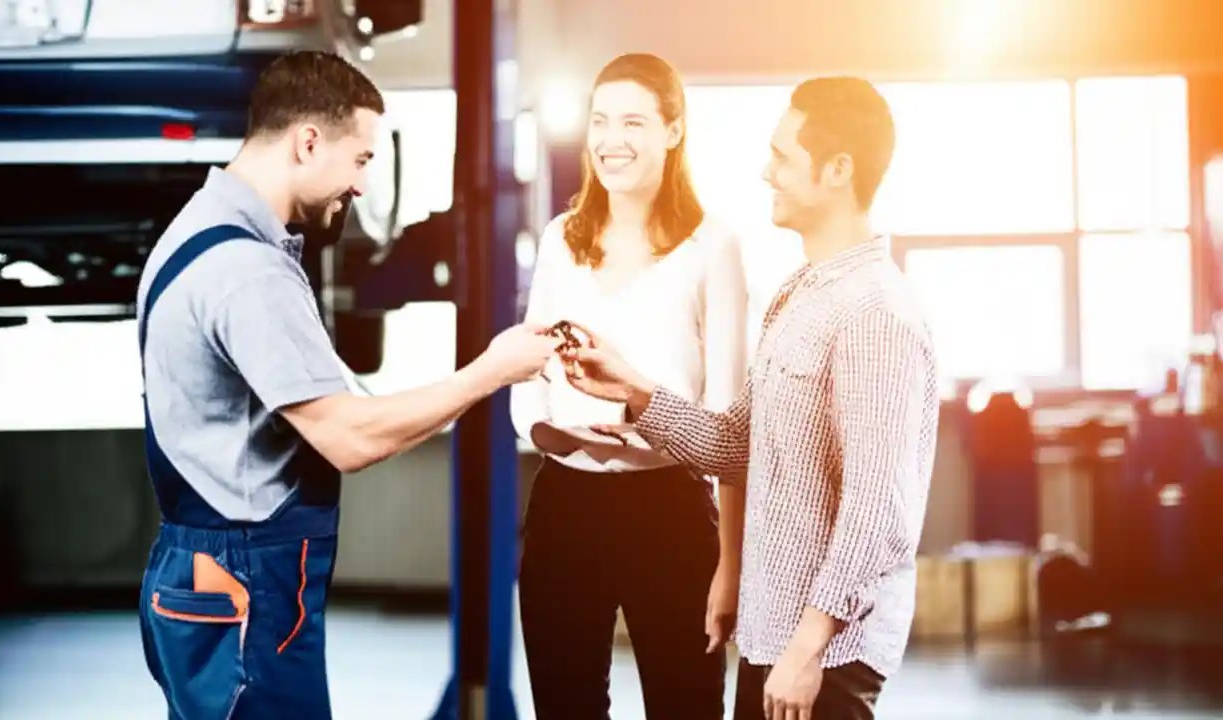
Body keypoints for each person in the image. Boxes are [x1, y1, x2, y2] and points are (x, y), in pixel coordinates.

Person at [134, 51, 558, 720]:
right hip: (246, 582)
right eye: (361, 159)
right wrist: (493, 371)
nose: (361, 185)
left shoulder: (194, 233)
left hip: (203, 573)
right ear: (308, 141)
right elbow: (350, 439)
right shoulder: (249, 272)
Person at [560, 76, 939, 720]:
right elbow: (739, 446)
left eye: (783, 157)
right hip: (775, 635)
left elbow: (878, 510)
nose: (768, 173)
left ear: (838, 170)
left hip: (825, 655)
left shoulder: (875, 311)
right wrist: (630, 387)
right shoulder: (801, 294)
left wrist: (809, 647)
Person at [509, 52, 749, 719]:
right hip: (565, 505)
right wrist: (549, 429)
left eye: (635, 123)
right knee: (566, 707)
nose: (613, 140)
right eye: (601, 120)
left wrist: (731, 565)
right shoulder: (562, 238)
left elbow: (729, 425)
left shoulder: (713, 246)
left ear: (674, 131)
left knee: (687, 706)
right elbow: (528, 374)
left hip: (669, 509)